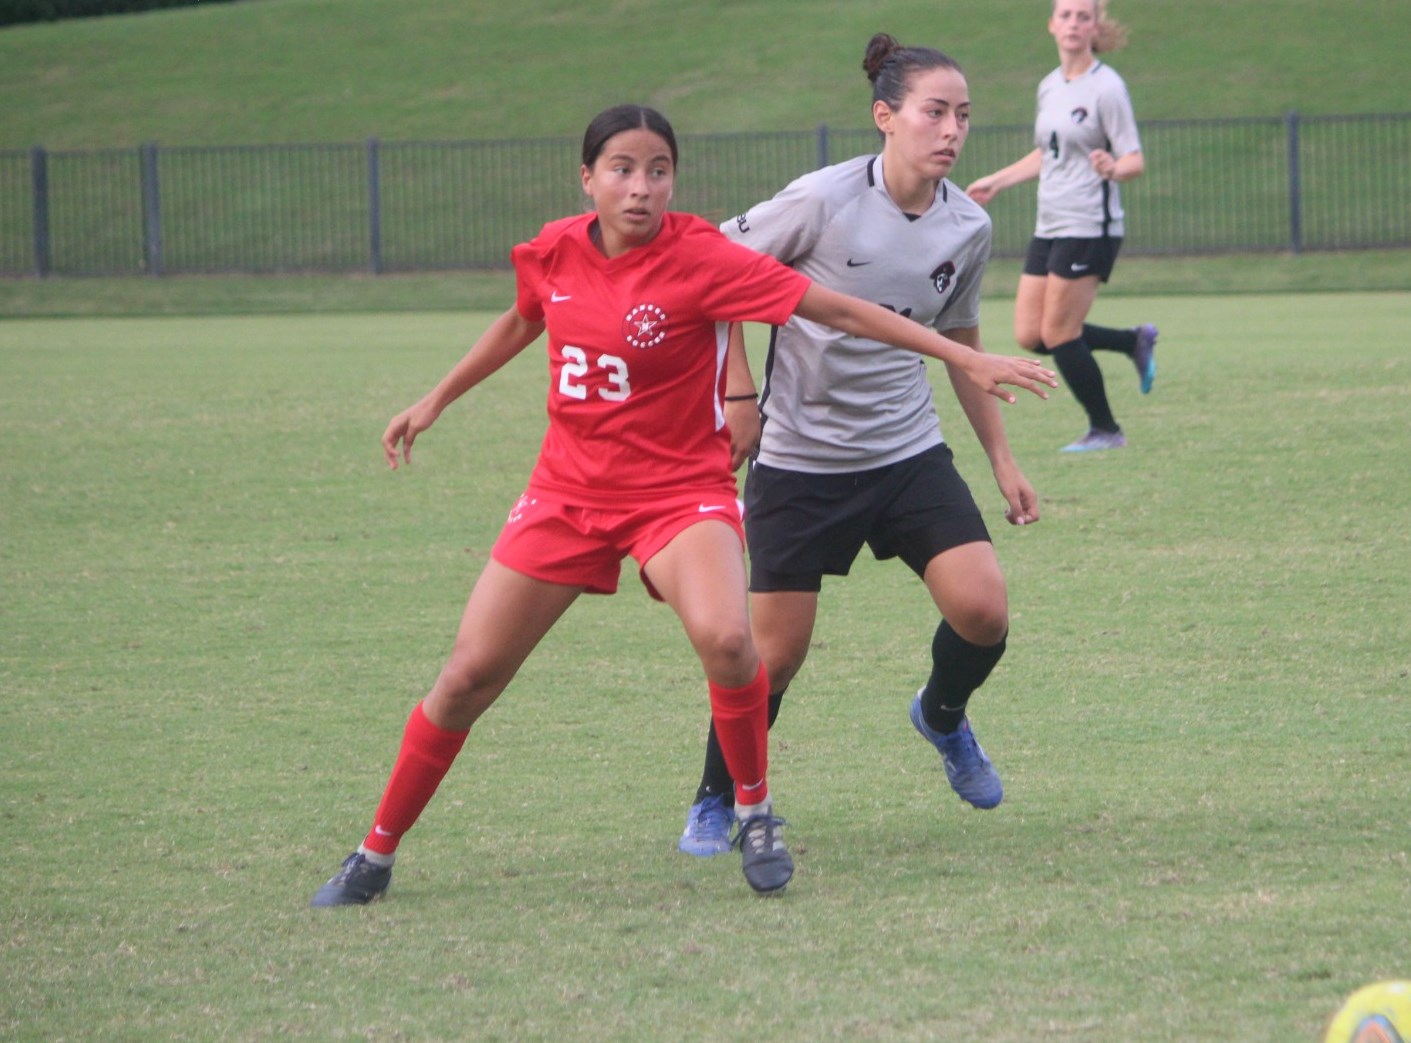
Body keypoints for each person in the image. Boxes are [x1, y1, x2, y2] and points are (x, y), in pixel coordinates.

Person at [310, 103, 1056, 906]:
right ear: (587, 178)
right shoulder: (556, 249)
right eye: (622, 169)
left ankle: (753, 809)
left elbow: (835, 308)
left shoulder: (702, 253)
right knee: (466, 676)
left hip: (678, 493)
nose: (641, 187)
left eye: (657, 170)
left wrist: (957, 355)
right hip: (566, 494)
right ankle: (373, 854)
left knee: (731, 640)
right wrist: (435, 399)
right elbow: (522, 320)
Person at [677, 35, 1041, 858]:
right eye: (934, 111)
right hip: (801, 460)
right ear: (885, 116)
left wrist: (1002, 460)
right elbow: (709, 279)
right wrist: (735, 392)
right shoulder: (821, 200)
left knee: (983, 610)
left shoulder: (967, 224)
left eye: (964, 116)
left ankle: (940, 716)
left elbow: (962, 341)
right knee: (771, 655)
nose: (951, 130)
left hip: (905, 450)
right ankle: (713, 798)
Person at [966, 0, 1158, 453]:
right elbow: (1047, 153)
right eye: (1066, 15)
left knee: (1060, 333)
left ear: (1095, 26)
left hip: (1091, 224)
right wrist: (999, 180)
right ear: (1052, 25)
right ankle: (1133, 341)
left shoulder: (1107, 88)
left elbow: (1134, 160)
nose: (1074, 23)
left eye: (1083, 16)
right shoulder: (1050, 86)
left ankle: (1106, 430)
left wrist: (1113, 167)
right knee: (1031, 334)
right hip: (1050, 222)